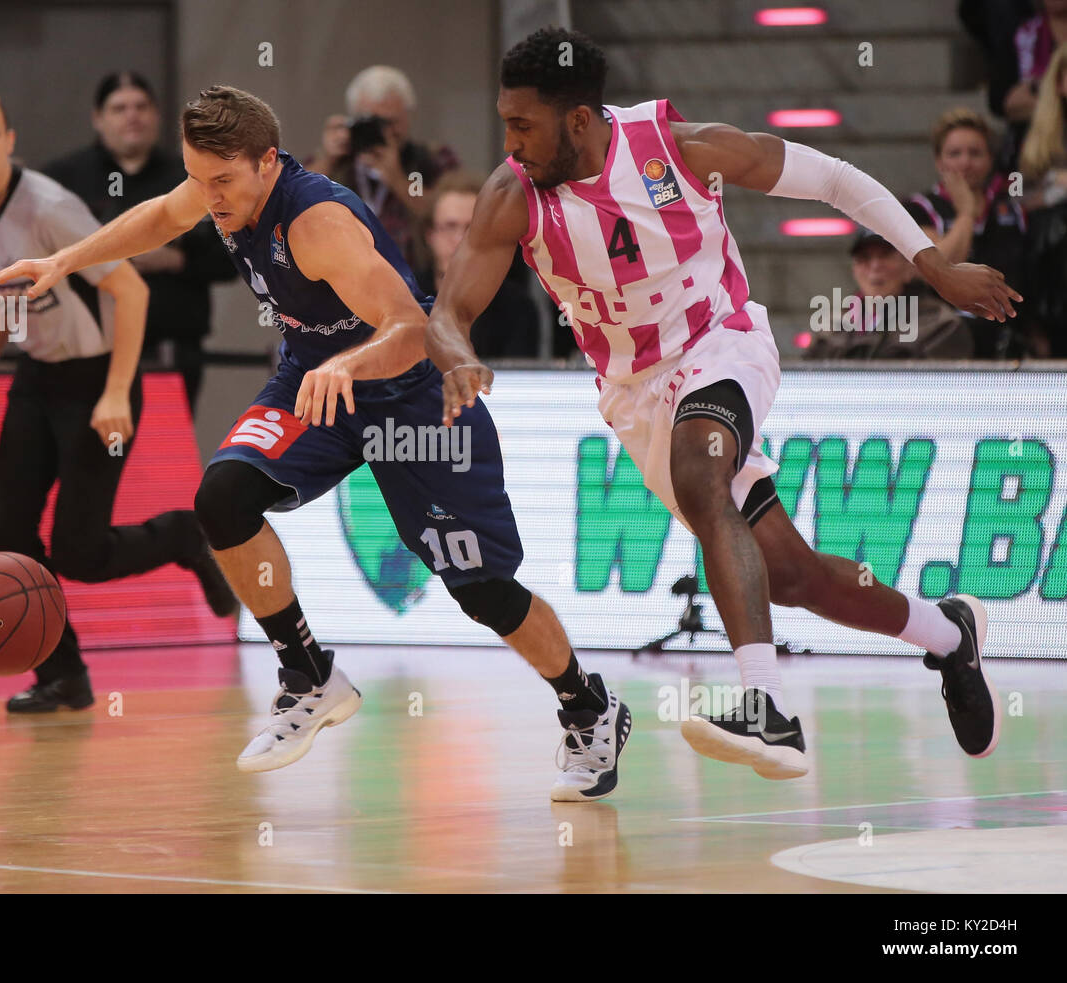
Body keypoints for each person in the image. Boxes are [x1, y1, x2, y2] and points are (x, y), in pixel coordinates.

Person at [0, 85, 631, 802]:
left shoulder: (315, 221)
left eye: (222, 181)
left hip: (409, 394)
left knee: (484, 593)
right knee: (222, 497)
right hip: (313, 381)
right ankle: (308, 672)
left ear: (266, 162)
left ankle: (589, 706)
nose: (210, 197)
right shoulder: (216, 188)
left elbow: (411, 326)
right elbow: (161, 216)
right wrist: (64, 261)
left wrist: (349, 362)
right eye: (200, 179)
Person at [426, 27, 1020, 779]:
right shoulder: (513, 196)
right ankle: (949, 634)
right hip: (635, 393)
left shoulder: (676, 146)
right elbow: (447, 312)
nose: (509, 141)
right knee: (793, 576)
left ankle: (766, 709)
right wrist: (459, 357)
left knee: (702, 470)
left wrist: (933, 266)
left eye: (522, 124)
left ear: (578, 119)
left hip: (722, 341)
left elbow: (835, 179)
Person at [0, 90, 236, 714]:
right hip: (38, 381)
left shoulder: (50, 207)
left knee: (77, 554)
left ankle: (185, 536)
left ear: (10, 141)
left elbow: (131, 290)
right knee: (7, 538)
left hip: (98, 381)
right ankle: (64, 675)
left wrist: (117, 392)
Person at [42, 71, 237, 417]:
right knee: (90, 456)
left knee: (162, 456)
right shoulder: (63, 179)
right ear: (98, 119)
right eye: (119, 108)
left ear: (158, 116)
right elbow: (42, 254)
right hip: (88, 348)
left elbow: (231, 259)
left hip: (172, 346)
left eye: (141, 107)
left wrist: (174, 262)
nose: (132, 116)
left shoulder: (193, 176)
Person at [904, 108, 1034, 356]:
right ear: (939, 161)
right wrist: (966, 213)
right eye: (954, 154)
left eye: (975, 153)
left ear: (990, 160)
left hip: (1005, 345)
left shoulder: (1011, 209)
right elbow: (940, 268)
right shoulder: (919, 208)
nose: (965, 162)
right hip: (938, 341)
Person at [305, 66, 459, 267]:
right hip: (343, 281)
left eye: (391, 122)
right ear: (353, 120)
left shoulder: (432, 159)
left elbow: (448, 220)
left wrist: (396, 177)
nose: (382, 131)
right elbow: (293, 203)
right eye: (372, 122)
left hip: (415, 281)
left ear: (408, 116)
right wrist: (327, 159)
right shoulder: (334, 162)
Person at [418, 170, 539, 358]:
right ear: (430, 235)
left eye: (471, 228)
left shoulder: (517, 307)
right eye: (450, 226)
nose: (459, 239)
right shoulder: (407, 297)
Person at [803, 229, 974, 359]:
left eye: (885, 255)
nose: (875, 266)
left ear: (909, 265)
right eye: (864, 257)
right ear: (854, 269)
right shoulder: (832, 325)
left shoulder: (940, 323)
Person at [1018, 43, 1067, 347]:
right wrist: (1057, 190)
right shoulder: (1039, 141)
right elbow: (1017, 201)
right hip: (1051, 264)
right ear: (1059, 82)